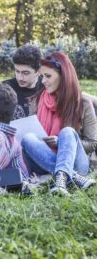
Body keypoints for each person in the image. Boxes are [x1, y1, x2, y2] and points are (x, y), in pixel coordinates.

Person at [21, 52, 97, 196]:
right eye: (42, 76)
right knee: (28, 138)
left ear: (64, 76)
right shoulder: (36, 100)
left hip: (76, 162)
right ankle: (72, 177)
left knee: (67, 132)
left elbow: (92, 143)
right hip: (42, 159)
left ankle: (64, 177)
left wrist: (60, 142)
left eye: (48, 76)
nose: (43, 81)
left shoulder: (83, 103)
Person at [3, 44, 43, 119]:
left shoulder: (46, 88)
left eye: (25, 73)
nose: (20, 78)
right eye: (17, 71)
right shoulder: (5, 89)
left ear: (38, 71)